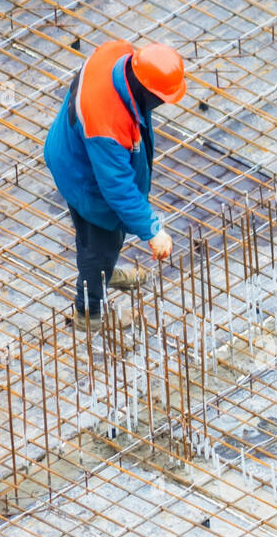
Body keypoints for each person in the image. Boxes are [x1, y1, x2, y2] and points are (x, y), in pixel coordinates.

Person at [43, 39, 185, 331]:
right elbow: (117, 188)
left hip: (73, 150)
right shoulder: (106, 123)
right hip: (83, 177)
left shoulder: (118, 53)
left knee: (103, 240)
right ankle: (90, 313)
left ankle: (103, 274)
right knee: (98, 244)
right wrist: (152, 230)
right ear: (148, 91)